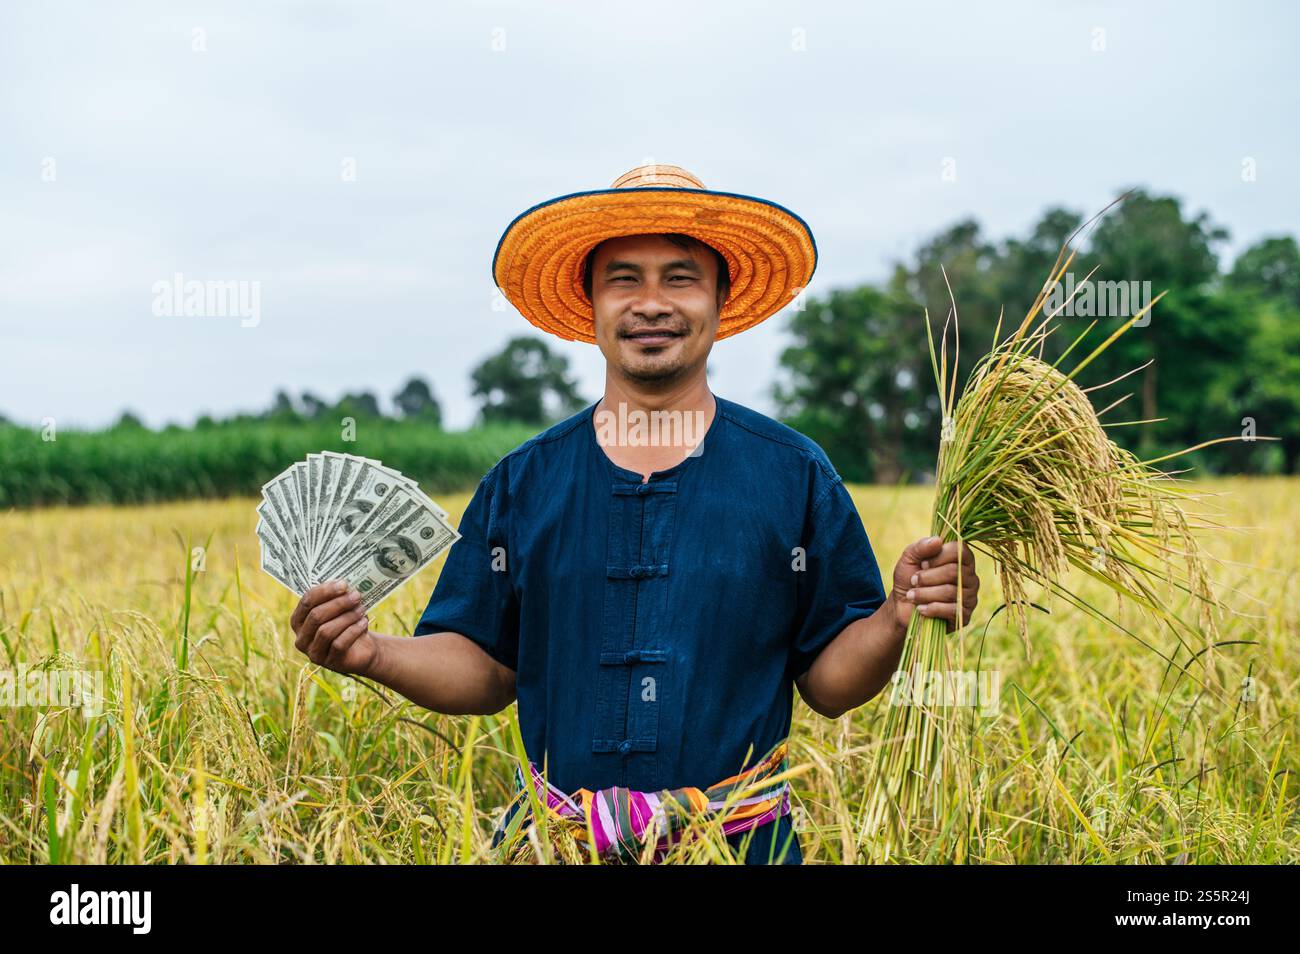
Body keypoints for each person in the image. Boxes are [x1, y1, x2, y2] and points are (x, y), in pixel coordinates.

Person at [289, 164, 981, 864]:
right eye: (624, 278)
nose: (652, 303)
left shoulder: (794, 474)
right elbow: (485, 666)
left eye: (679, 277)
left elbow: (830, 685)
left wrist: (898, 613)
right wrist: (372, 653)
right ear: (589, 300)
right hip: (559, 850)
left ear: (720, 297)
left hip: (742, 849)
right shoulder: (524, 482)